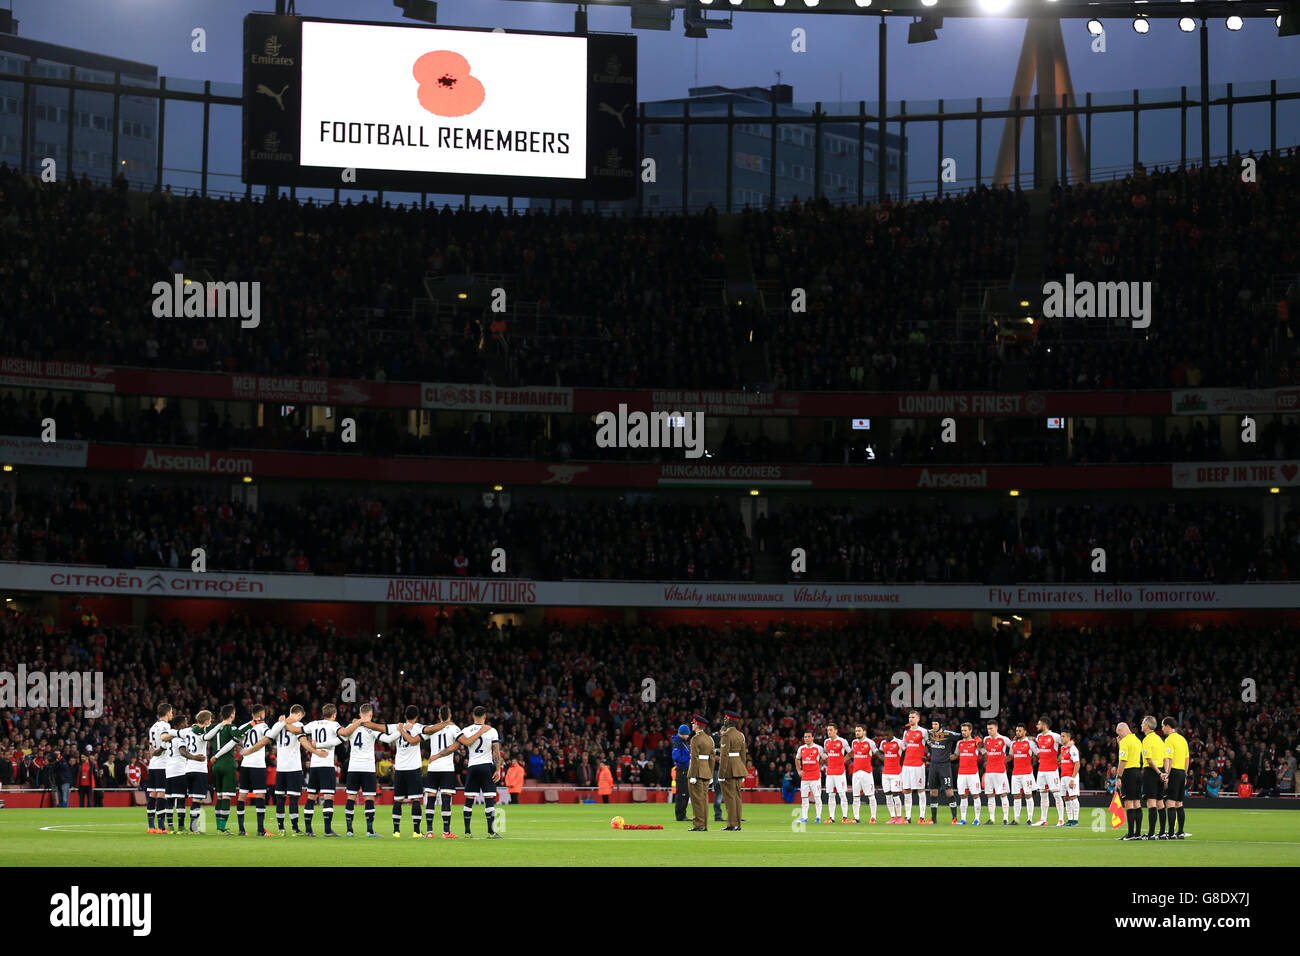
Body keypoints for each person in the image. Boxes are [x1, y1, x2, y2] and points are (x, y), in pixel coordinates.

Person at [429, 705, 502, 838]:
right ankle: (491, 832)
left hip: (472, 766)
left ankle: (467, 832)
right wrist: (498, 769)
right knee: (489, 798)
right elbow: (496, 751)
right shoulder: (492, 731)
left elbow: (454, 747)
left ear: (473, 716)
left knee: (469, 799)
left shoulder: (466, 730)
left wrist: (437, 755)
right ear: (485, 716)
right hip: (486, 766)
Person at [718, 710, 748, 831]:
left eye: (726, 718)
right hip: (738, 768)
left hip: (729, 769)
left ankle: (731, 824)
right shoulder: (740, 735)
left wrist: (721, 774)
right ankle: (738, 824)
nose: (724, 720)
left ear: (730, 721)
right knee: (737, 796)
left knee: (730, 797)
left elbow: (724, 756)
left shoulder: (726, 735)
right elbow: (743, 755)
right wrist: (743, 769)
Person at [1161, 716, 1190, 839]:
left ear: (1168, 726)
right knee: (1179, 803)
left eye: (1162, 726)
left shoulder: (1169, 740)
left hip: (1172, 772)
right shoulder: (1182, 739)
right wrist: (1185, 774)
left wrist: (1166, 775)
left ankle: (1171, 833)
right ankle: (1180, 831)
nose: (1162, 728)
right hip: (1182, 773)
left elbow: (1169, 759)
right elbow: (1187, 759)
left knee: (1170, 803)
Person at [1139, 715, 1167, 839]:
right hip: (1161, 771)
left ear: (1147, 725)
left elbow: (1149, 760)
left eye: (1142, 723)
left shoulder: (1146, 740)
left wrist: (1159, 773)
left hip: (1152, 772)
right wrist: (1164, 773)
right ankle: (1162, 833)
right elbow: (1166, 758)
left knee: (1151, 802)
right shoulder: (1159, 739)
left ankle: (1151, 834)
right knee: (1160, 803)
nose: (1141, 725)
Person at [1116, 721, 1144, 840]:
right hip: (1138, 772)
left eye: (1118, 734)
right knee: (1137, 802)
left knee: (1128, 803)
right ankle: (1137, 834)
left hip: (1128, 773)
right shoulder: (1137, 740)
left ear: (1122, 731)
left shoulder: (1125, 741)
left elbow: (1123, 761)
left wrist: (1118, 777)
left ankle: (1131, 834)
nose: (1119, 736)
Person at [686, 714, 715, 831]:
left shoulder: (695, 739)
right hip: (706, 771)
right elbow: (712, 757)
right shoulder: (709, 739)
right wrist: (711, 773)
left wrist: (692, 775)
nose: (692, 725)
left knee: (697, 800)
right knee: (704, 799)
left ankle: (699, 825)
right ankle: (704, 824)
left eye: (693, 723)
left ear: (697, 725)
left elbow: (694, 758)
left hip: (697, 772)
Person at [671, 724, 691, 821]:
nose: (688, 736)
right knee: (682, 793)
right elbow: (676, 757)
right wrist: (689, 756)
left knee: (685, 793)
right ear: (682, 734)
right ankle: (680, 815)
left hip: (685, 770)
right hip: (681, 770)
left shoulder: (682, 742)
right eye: (687, 734)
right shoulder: (678, 743)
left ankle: (682, 814)